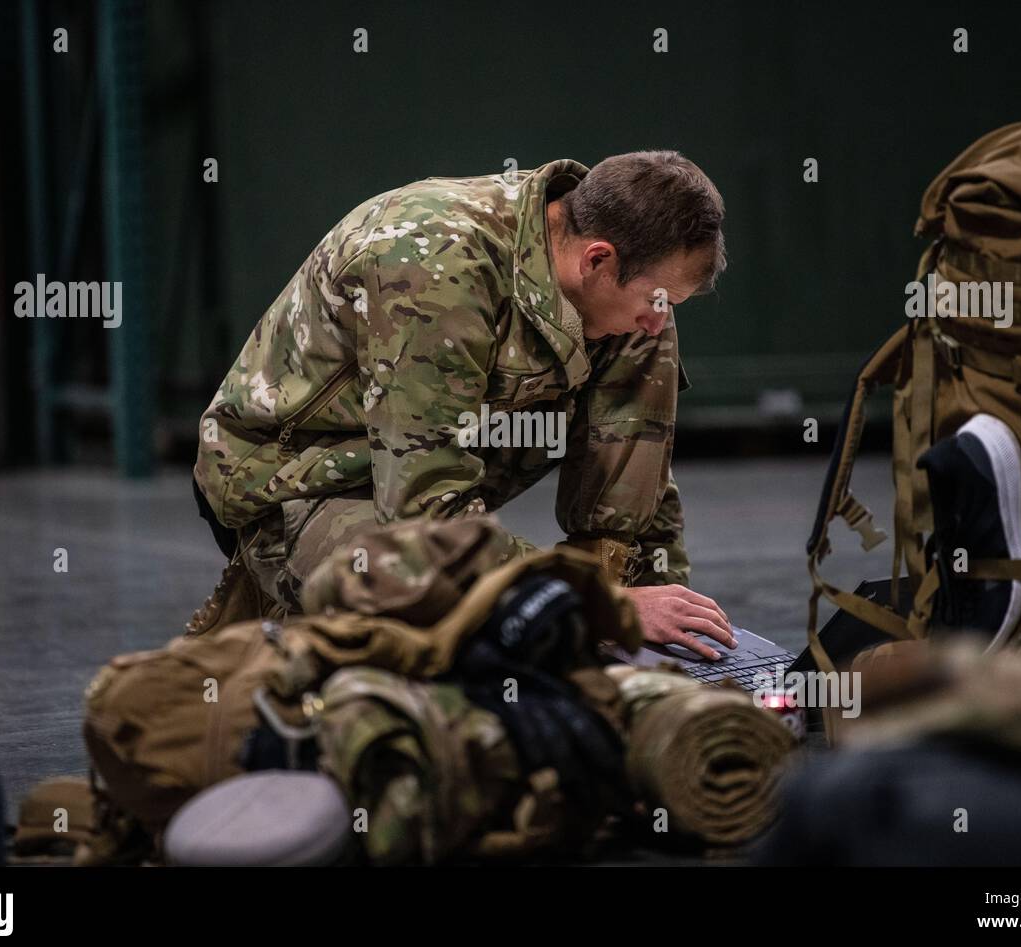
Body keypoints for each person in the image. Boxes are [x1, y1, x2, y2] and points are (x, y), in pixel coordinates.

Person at [190, 151, 735, 659]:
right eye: (658, 300)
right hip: (299, 480)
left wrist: (669, 626)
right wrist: (597, 603)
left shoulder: (622, 283)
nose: (660, 318)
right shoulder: (434, 267)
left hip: (432, 464)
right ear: (597, 259)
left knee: (642, 337)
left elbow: (637, 445)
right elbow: (424, 519)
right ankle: (269, 646)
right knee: (444, 618)